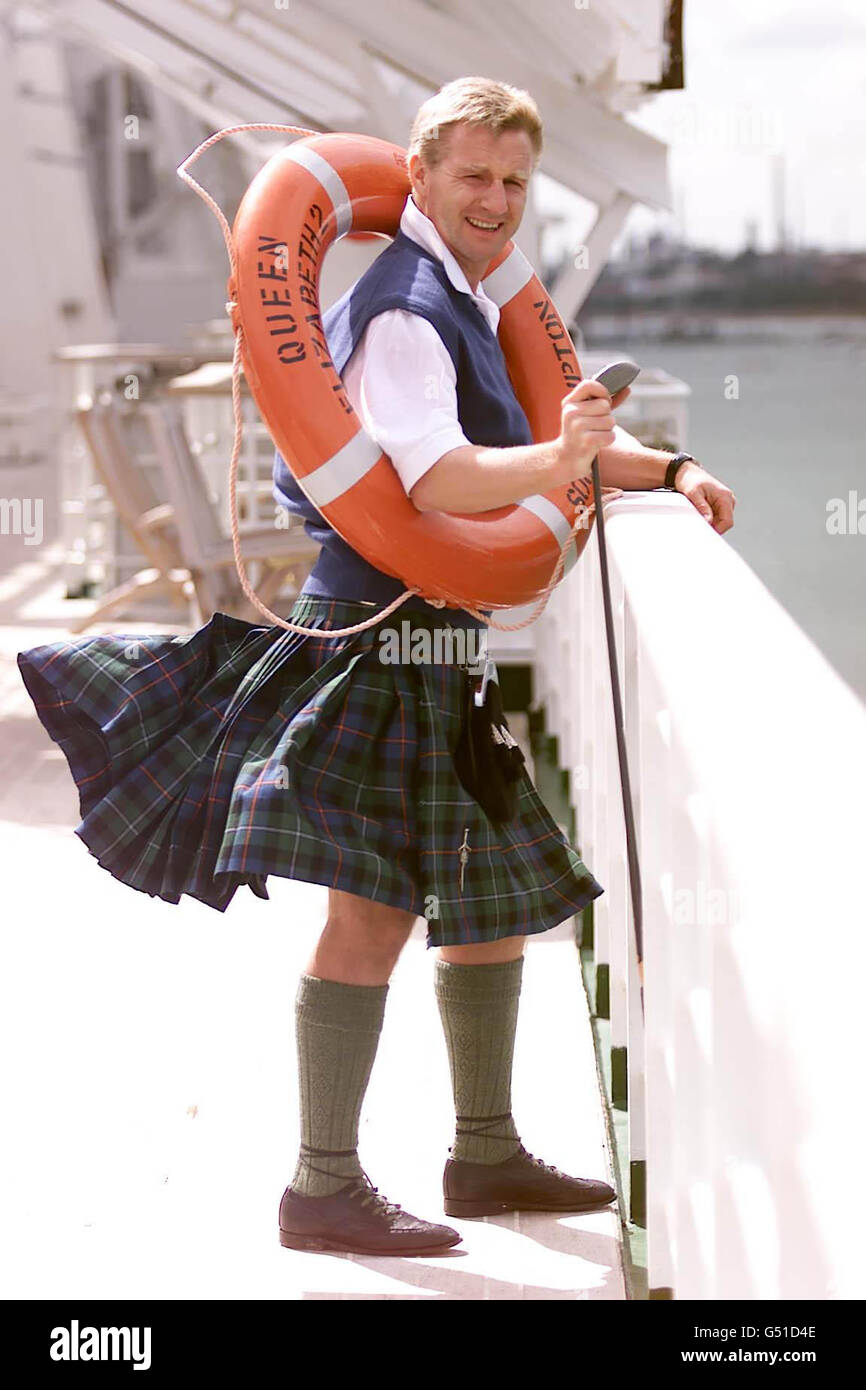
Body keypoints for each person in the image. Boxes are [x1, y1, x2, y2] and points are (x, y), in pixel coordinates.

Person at [17, 77, 736, 1261]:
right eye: (473, 176)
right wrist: (559, 462)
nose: (496, 200)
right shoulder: (406, 309)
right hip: (377, 642)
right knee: (373, 916)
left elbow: (558, 443)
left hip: (437, 651)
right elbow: (438, 480)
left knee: (493, 907)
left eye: (512, 180)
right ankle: (322, 1186)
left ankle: (485, 1150)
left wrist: (664, 470)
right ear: (421, 173)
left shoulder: (467, 294)